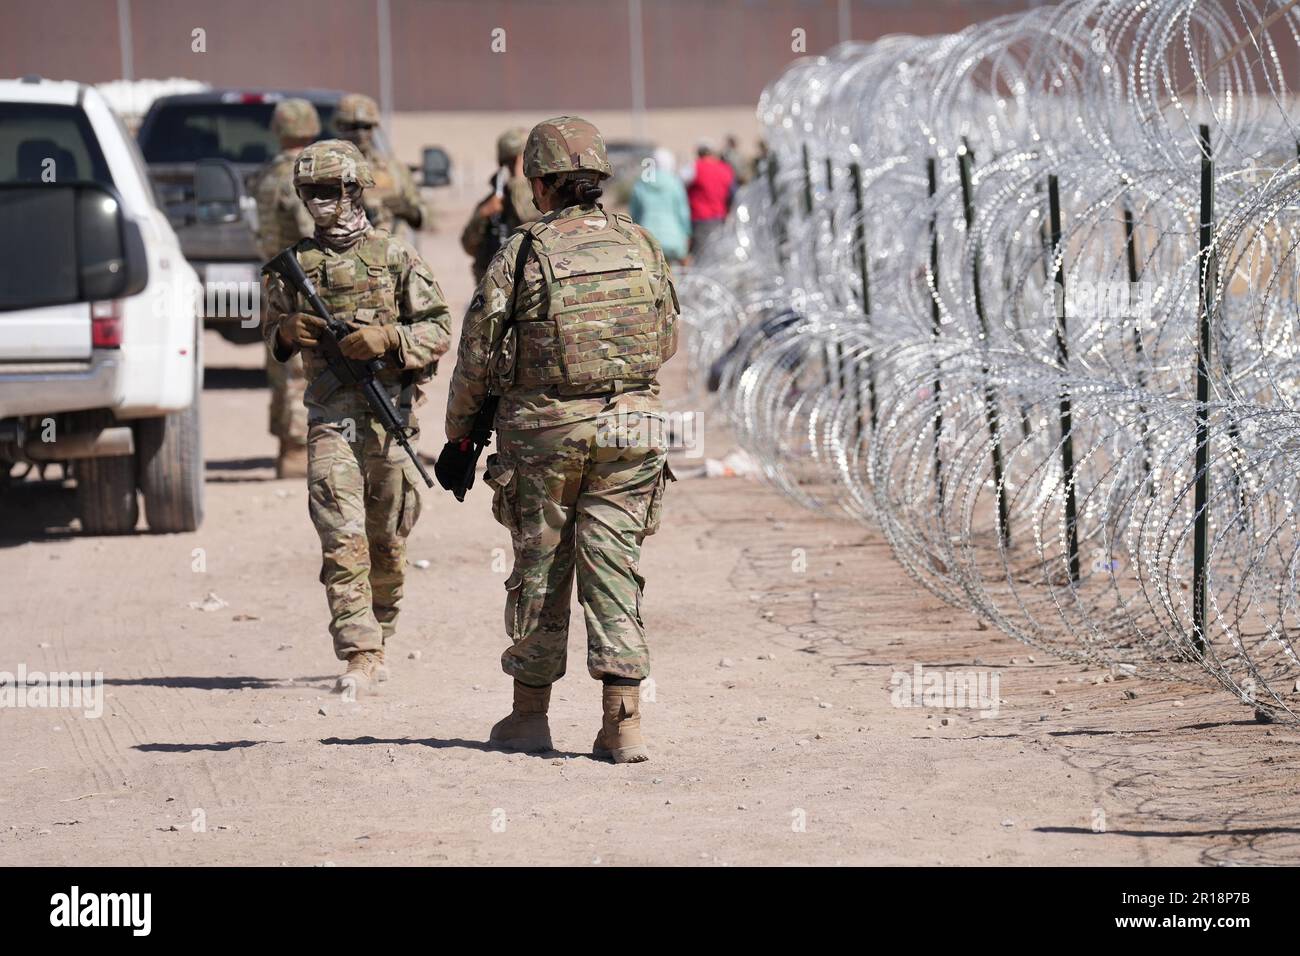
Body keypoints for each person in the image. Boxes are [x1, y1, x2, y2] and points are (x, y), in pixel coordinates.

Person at [441, 116, 679, 763]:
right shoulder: (641, 243)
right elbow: (665, 339)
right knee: (614, 563)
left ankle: (529, 717)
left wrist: (460, 435)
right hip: (633, 430)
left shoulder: (523, 251)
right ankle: (623, 723)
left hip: (546, 436)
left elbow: (477, 353)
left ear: (541, 183)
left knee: (541, 568)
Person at [262, 140, 451, 698]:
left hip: (389, 418)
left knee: (386, 541)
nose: (318, 201)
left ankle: (381, 631)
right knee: (340, 534)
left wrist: (387, 339)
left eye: (328, 190)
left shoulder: (395, 257)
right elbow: (272, 334)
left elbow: (439, 328)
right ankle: (359, 651)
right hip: (330, 419)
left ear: (352, 190)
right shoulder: (294, 267)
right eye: (309, 192)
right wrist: (286, 332)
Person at [253, 98, 321, 478]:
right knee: (298, 367)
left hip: (272, 282)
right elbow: (309, 230)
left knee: (279, 366)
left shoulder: (266, 174)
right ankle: (296, 449)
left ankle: (285, 443)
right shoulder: (298, 178)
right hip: (298, 283)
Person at [335, 93, 427, 239]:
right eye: (352, 127)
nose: (360, 133)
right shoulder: (325, 169)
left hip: (391, 248)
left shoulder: (393, 169)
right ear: (339, 127)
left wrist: (409, 210)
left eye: (366, 127)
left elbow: (424, 216)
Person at [460, 127, 540, 284]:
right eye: (509, 162)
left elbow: (528, 215)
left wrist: (518, 181)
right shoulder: (494, 200)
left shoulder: (541, 197)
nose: (512, 167)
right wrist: (483, 214)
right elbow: (468, 245)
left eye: (516, 161)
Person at [629, 146, 690, 265]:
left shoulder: (641, 183)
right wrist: (687, 234)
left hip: (646, 238)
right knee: (673, 272)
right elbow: (682, 212)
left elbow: (634, 213)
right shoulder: (675, 183)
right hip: (673, 239)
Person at [684, 139, 734, 254]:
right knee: (716, 253)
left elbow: (680, 185)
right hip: (720, 217)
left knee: (701, 253)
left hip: (700, 218)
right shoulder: (725, 168)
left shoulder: (694, 167)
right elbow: (732, 193)